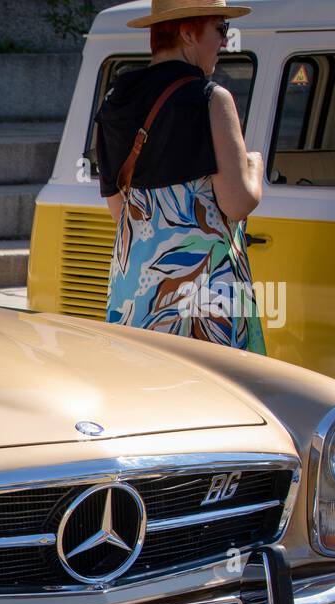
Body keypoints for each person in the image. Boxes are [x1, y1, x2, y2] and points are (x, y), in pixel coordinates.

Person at [95, 0, 266, 353]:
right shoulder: (211, 98)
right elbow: (237, 204)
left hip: (136, 287)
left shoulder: (115, 99)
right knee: (213, 394)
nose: (225, 40)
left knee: (142, 387)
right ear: (188, 33)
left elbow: (119, 210)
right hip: (204, 292)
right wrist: (255, 166)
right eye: (220, 29)